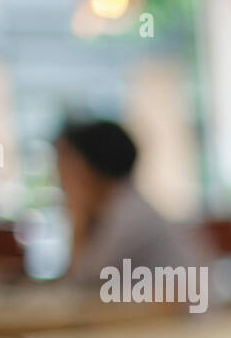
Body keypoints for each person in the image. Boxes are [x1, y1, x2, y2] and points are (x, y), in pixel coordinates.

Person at [54, 118, 196, 284]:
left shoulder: (130, 216)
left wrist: (77, 217)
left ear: (88, 169)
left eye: (65, 166)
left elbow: (85, 280)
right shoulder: (119, 207)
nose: (60, 178)